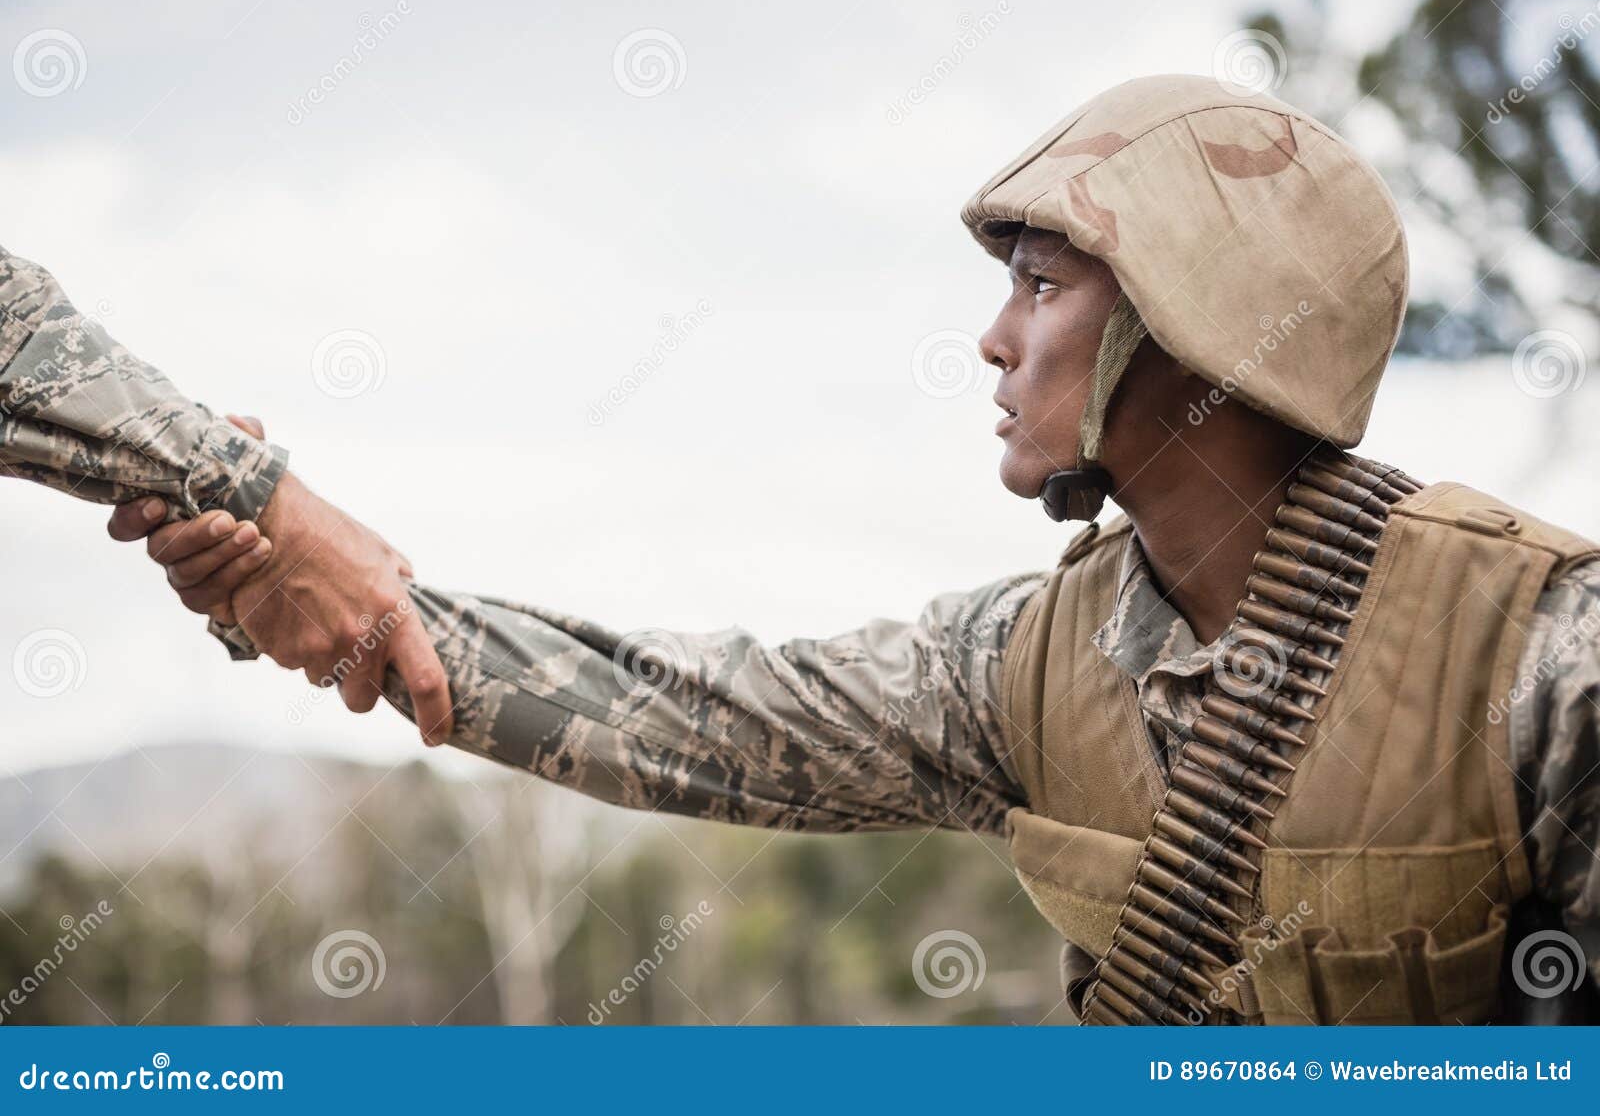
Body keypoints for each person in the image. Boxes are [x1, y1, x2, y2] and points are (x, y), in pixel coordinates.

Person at [4, 74, 1597, 1025]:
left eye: (1042, 287)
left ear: (1194, 325)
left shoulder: (1537, 649)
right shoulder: (1021, 664)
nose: (991, 339)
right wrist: (375, 616)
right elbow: (698, 714)